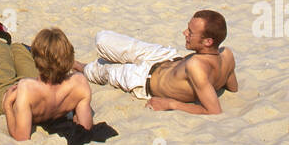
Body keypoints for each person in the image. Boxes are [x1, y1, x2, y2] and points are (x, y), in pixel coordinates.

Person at [78, 11, 237, 115]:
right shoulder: (226, 54)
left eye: (191, 32)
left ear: (208, 41)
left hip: (143, 79)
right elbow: (232, 87)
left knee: (103, 71)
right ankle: (112, 58)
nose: (185, 33)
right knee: (102, 39)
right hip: (165, 57)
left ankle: (80, 66)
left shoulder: (197, 67)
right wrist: (214, 82)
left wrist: (171, 103)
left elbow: (214, 110)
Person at [0, 28, 94, 142]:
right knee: (18, 48)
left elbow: (21, 137)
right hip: (40, 88)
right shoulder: (79, 83)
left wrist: (7, 106)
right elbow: (85, 126)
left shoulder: (26, 88)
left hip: (11, 95)